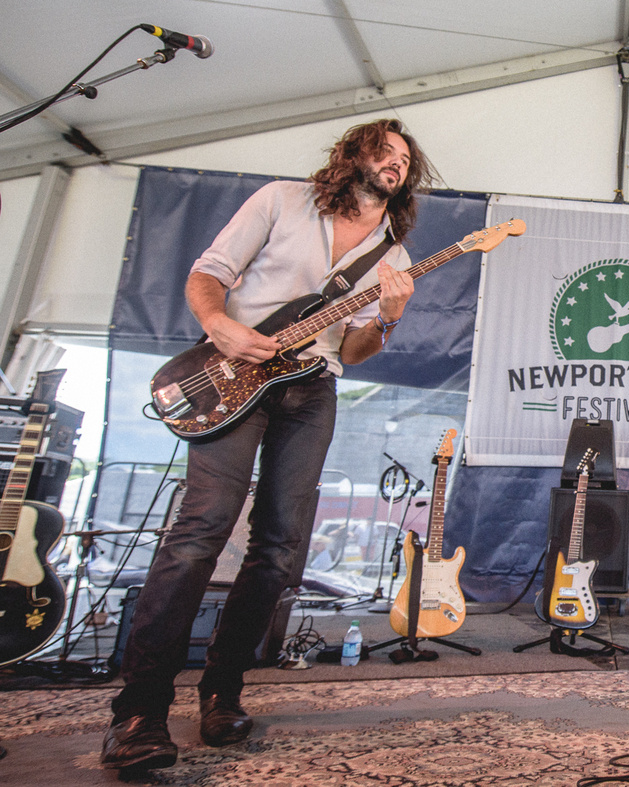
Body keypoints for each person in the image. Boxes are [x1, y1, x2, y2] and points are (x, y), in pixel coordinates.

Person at [102, 118, 437, 771]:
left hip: (313, 390)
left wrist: (391, 317)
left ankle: (222, 693)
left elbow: (359, 348)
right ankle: (139, 710)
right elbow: (210, 272)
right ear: (354, 154)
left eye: (405, 159)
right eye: (385, 151)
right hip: (233, 378)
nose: (396, 163)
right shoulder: (282, 200)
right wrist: (219, 326)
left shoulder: (393, 253)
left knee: (280, 546)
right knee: (199, 531)